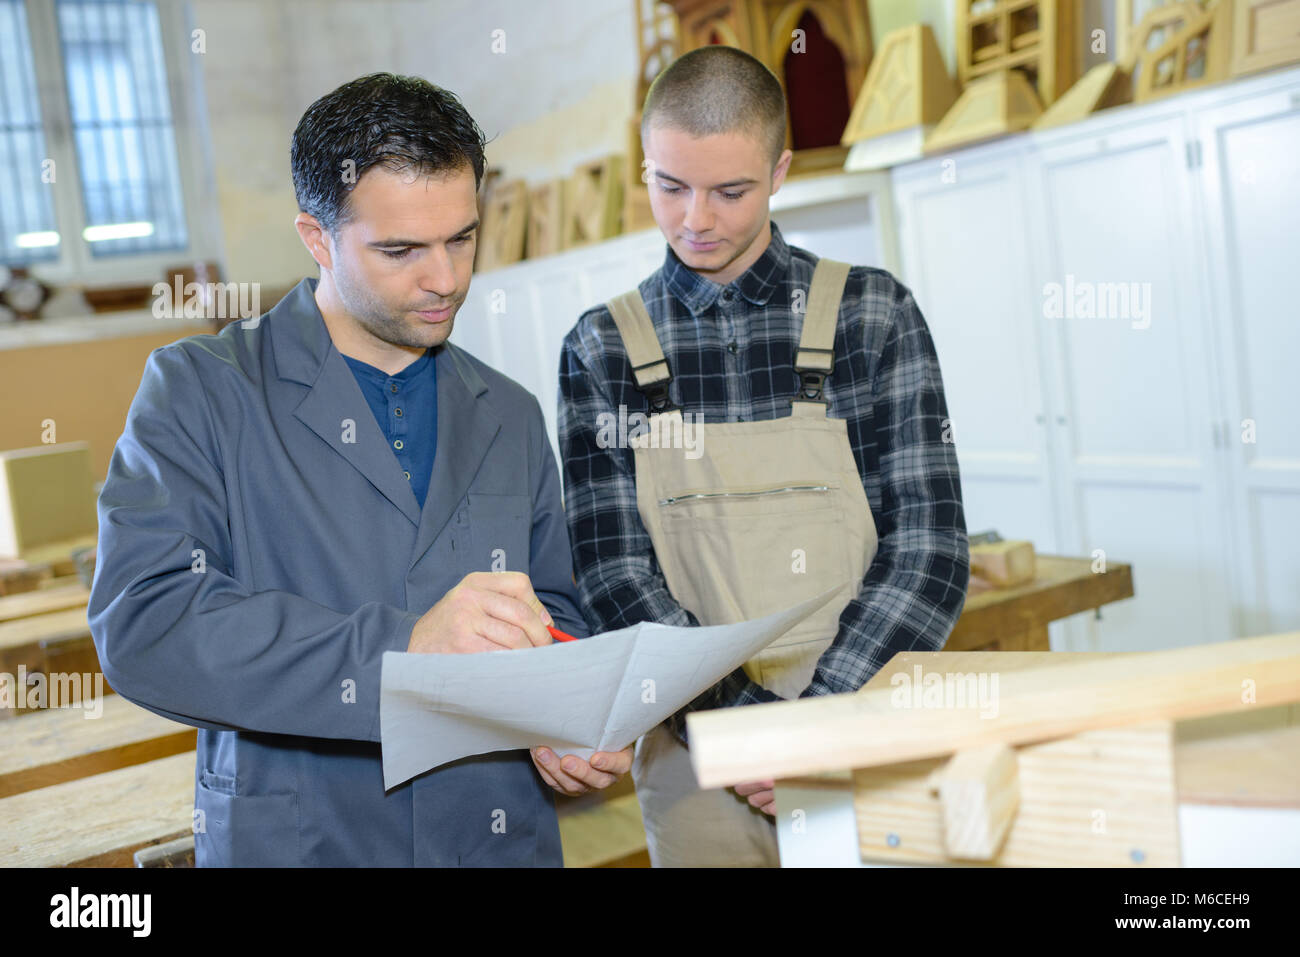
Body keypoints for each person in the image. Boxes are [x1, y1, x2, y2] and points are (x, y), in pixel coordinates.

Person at [89, 73, 631, 867]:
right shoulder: (203, 390)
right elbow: (148, 622)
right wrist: (406, 647)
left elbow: (556, 607)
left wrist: (565, 714)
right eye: (402, 250)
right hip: (310, 841)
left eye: (463, 237)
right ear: (317, 238)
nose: (445, 278)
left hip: (493, 836)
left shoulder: (509, 411)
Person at [557, 47, 970, 867]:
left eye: (730, 190)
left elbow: (929, 548)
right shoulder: (602, 347)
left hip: (869, 728)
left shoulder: (874, 313)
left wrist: (820, 722)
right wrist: (745, 731)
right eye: (668, 186)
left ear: (779, 169)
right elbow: (611, 573)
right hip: (695, 756)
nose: (695, 219)